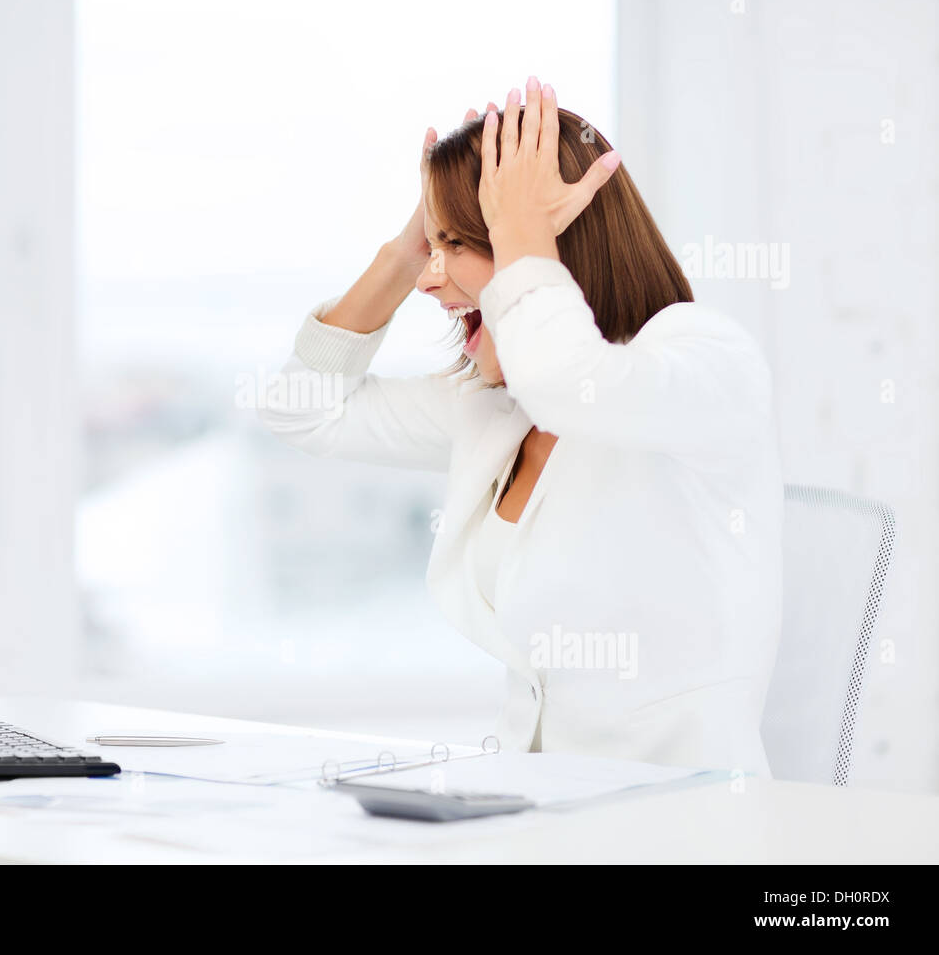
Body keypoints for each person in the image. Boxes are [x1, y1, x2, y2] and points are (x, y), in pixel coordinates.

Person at [258, 77, 783, 775]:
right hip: (536, 807)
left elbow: (571, 381)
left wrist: (520, 233)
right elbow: (301, 409)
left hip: (682, 820)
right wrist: (406, 247)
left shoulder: (707, 360)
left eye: (457, 245)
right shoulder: (496, 412)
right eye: (432, 247)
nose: (429, 282)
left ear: (547, 244)